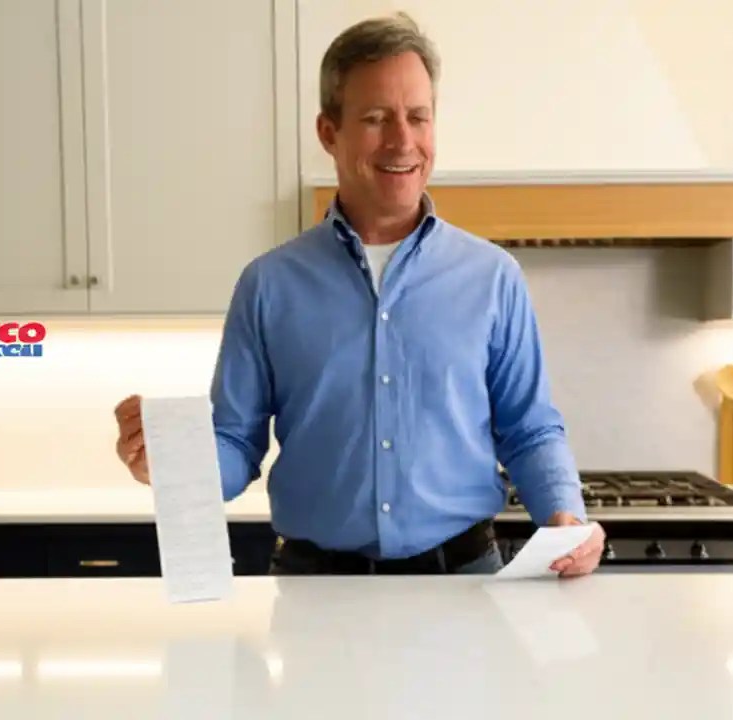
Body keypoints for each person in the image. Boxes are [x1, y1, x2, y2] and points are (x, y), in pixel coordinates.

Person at [113, 12, 605, 576]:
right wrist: (173, 462)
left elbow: (530, 427)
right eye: (375, 119)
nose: (403, 141)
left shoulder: (493, 277)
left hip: (465, 589)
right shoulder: (269, 285)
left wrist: (565, 515)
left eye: (418, 117)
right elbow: (234, 446)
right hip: (314, 592)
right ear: (329, 132)